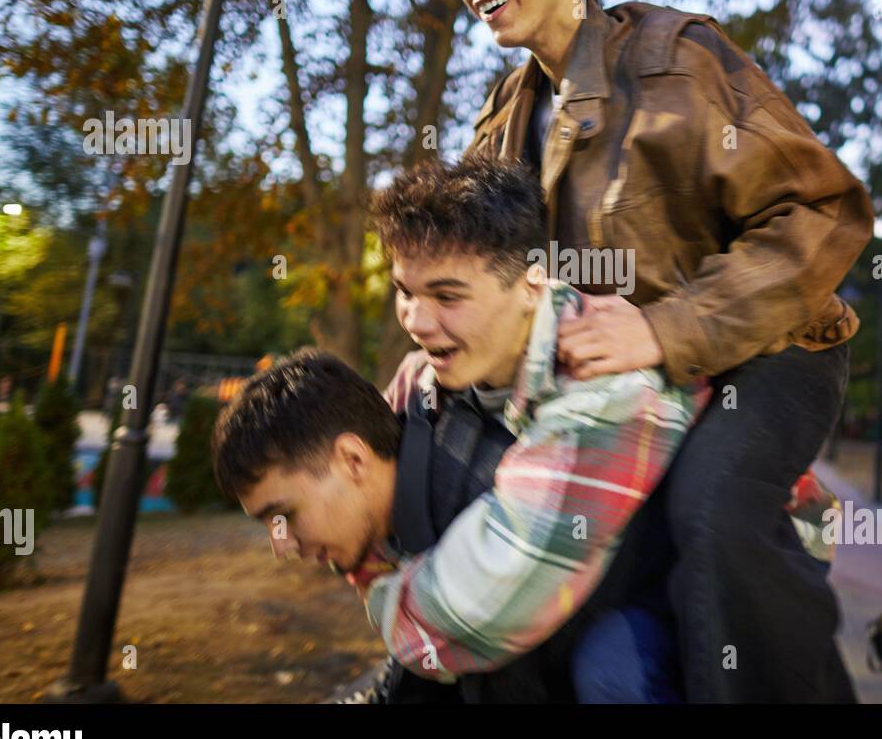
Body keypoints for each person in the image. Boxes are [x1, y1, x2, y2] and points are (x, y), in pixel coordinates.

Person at [437, 0, 873, 700]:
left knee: (710, 514)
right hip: (613, 386)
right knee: (485, 516)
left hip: (767, 354)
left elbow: (823, 214)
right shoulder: (503, 116)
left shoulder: (679, 57)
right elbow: (477, 269)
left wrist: (663, 329)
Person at [214, 158, 705, 701]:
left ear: (530, 284)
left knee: (612, 670)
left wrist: (377, 583)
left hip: (693, 608)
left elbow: (480, 612)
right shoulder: (432, 372)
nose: (418, 323)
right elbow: (351, 469)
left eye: (448, 297)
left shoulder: (608, 386)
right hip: (573, 619)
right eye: (406, 292)